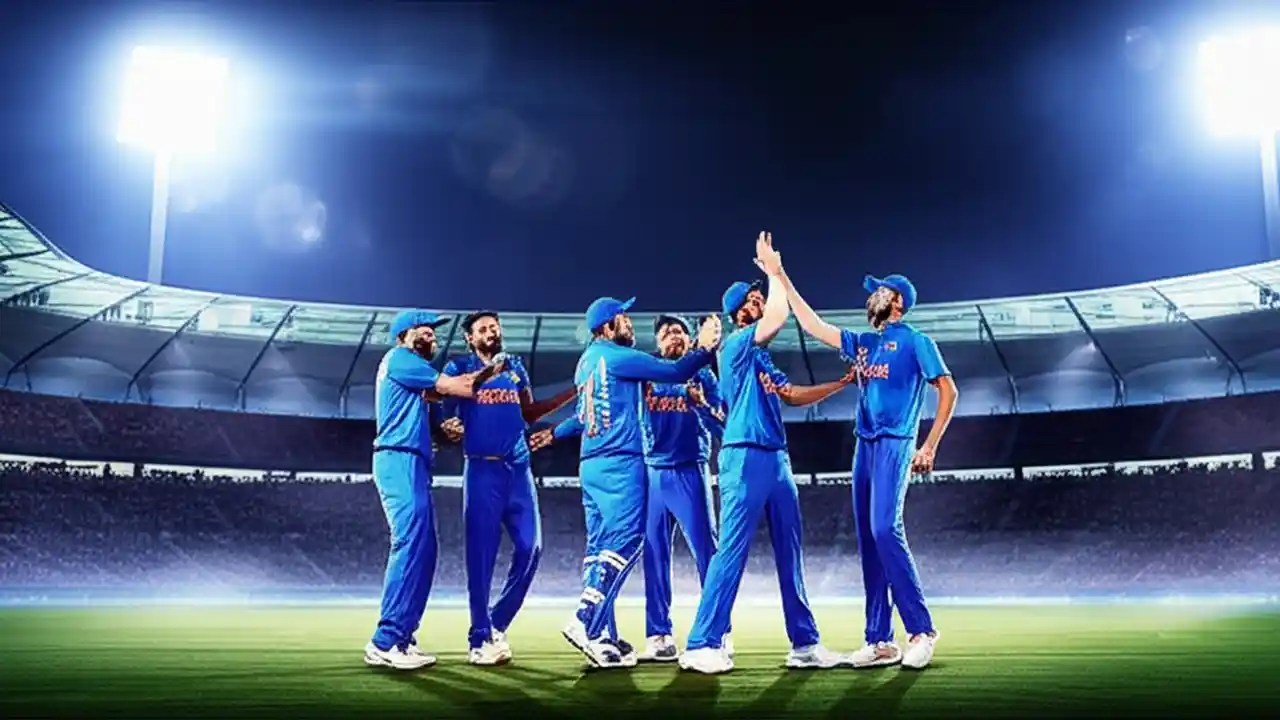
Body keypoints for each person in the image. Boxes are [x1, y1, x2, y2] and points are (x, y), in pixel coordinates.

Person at [680, 232, 853, 675]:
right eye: (753, 300)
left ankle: (805, 644)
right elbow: (778, 316)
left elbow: (792, 395)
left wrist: (840, 384)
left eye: (759, 297)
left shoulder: (761, 361)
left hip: (777, 459)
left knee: (790, 552)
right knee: (732, 549)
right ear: (742, 312)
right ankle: (702, 642)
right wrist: (775, 271)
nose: (759, 302)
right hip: (743, 456)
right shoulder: (737, 345)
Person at [783, 265, 958, 671]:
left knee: (884, 528)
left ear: (897, 300)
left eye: (878, 291)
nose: (870, 296)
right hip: (865, 446)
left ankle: (922, 631)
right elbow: (812, 325)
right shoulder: (863, 343)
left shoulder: (917, 342)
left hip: (897, 442)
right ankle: (880, 640)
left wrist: (929, 445)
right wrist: (782, 277)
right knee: (868, 539)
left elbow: (948, 390)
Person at [537, 296, 721, 669]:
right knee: (629, 540)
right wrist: (704, 347)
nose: (629, 325)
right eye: (623, 319)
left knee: (600, 545)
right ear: (607, 327)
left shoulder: (585, 363)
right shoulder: (617, 356)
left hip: (590, 463)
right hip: (622, 461)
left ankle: (602, 637)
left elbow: (583, 414)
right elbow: (672, 372)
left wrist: (555, 433)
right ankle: (585, 618)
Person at [364, 309, 502, 670]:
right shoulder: (401, 359)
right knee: (410, 543)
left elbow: (421, 411)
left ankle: (403, 637)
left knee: (425, 550)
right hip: (398, 459)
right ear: (402, 335)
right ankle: (385, 640)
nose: (430, 337)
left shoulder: (413, 372)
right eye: (422, 331)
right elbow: (464, 387)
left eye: (432, 333)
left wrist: (443, 433)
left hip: (415, 460)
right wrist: (496, 367)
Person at [439, 310, 577, 665]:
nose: (491, 332)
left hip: (518, 471)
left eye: (495, 328)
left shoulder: (516, 366)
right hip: (482, 470)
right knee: (480, 559)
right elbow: (447, 416)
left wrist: (574, 392)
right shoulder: (458, 368)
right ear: (469, 337)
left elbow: (529, 413)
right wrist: (449, 429)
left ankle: (496, 622)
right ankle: (479, 638)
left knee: (532, 548)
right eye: (483, 329)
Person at [634, 314, 727, 662]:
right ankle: (658, 635)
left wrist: (701, 405)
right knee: (654, 557)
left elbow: (723, 429)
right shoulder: (647, 376)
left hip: (690, 471)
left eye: (679, 331)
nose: (672, 336)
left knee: (708, 553)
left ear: (691, 341)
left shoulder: (703, 375)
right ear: (658, 343)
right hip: (654, 474)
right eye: (666, 333)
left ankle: (718, 632)